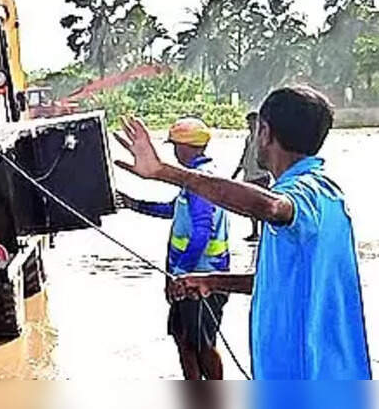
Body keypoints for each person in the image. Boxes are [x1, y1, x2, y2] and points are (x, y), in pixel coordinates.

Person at [116, 86, 371, 380]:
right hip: (325, 376)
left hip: (306, 377)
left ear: (264, 131)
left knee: (199, 346)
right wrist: (213, 281)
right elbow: (280, 280)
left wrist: (165, 172)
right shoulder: (328, 195)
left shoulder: (304, 192)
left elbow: (274, 207)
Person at [116, 117, 229, 380]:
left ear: (184, 147)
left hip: (201, 278)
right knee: (183, 338)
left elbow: (201, 233)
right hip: (188, 277)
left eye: (175, 146)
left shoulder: (201, 180)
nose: (174, 152)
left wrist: (180, 275)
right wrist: (137, 205)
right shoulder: (193, 180)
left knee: (202, 343)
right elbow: (174, 209)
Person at [232, 112, 272, 242]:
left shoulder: (262, 137)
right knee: (252, 207)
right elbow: (245, 155)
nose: (250, 125)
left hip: (260, 175)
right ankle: (255, 232)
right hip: (249, 175)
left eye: (252, 122)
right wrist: (236, 172)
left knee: (261, 205)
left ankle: (263, 233)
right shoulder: (249, 138)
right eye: (249, 122)